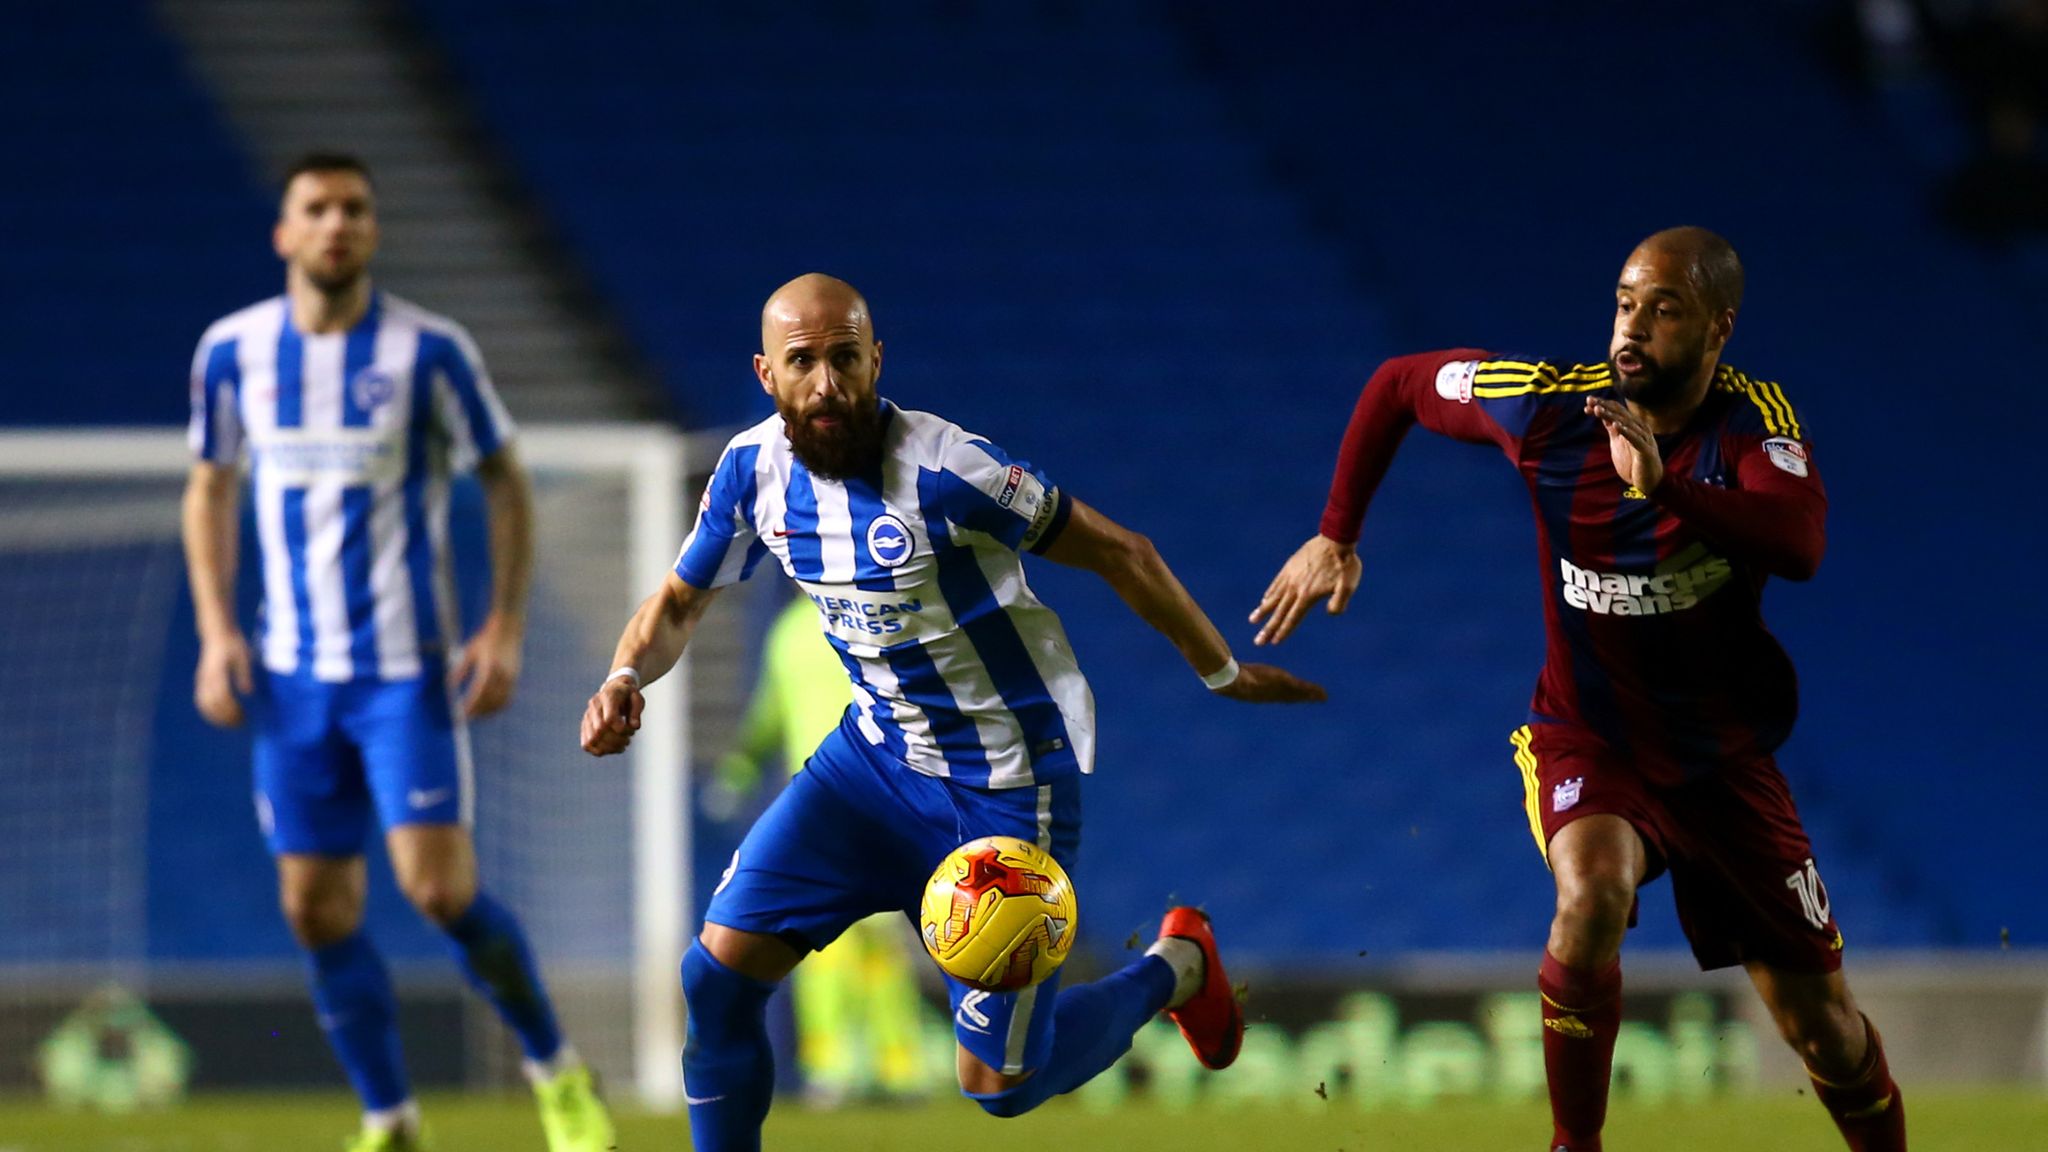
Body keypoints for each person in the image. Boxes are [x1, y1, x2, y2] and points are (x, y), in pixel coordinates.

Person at [581, 273, 1324, 1149]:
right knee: (714, 981)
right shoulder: (751, 472)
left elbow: (1124, 551)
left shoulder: (950, 469)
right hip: (871, 769)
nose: (827, 383)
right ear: (766, 375)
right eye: (803, 362)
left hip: (1006, 787)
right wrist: (626, 675)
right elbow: (676, 603)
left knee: (999, 1086)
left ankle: (1177, 967)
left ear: (875, 359)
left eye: (845, 358)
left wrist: (1221, 672)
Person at [1251, 228, 1905, 1152]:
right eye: (1626, 301)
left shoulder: (1752, 419)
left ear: (1719, 327)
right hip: (1590, 739)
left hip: (1720, 762)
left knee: (1824, 1032)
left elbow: (1799, 544)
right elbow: (1400, 382)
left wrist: (1667, 487)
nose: (1632, 327)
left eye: (1664, 308)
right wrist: (1336, 532)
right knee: (1590, 898)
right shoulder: (1549, 408)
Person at [181, 151, 614, 1152]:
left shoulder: (429, 353)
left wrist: (501, 628)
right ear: (284, 233)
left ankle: (556, 1070)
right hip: (290, 682)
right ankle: (390, 1117)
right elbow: (209, 486)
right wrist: (215, 634)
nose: (336, 224)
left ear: (373, 232)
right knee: (315, 910)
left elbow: (506, 479)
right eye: (316, 208)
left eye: (354, 209)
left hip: (403, 677)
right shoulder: (233, 351)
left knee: (438, 890)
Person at [713, 595, 934, 1105]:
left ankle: (846, 1067)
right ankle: (889, 1066)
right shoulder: (874, 616)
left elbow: (767, 714)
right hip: (877, 797)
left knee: (834, 939)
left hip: (824, 803)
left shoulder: (790, 631)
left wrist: (740, 770)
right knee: (874, 940)